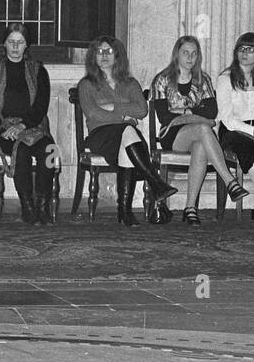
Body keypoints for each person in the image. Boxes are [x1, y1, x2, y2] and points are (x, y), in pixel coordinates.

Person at [78, 35, 177, 226]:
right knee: (128, 130)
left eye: (109, 51)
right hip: (100, 134)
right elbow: (92, 113)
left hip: (125, 136)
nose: (104, 55)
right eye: (99, 51)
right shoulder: (86, 84)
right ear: (93, 57)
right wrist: (123, 114)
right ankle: (153, 184)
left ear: (117, 55)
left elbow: (141, 110)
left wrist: (112, 107)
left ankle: (124, 211)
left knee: (127, 137)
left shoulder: (130, 84)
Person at [152, 34, 247, 227]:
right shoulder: (162, 79)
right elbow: (165, 117)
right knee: (204, 128)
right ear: (176, 54)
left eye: (194, 54)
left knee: (201, 144)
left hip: (197, 135)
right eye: (185, 52)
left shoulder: (203, 80)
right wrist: (196, 114)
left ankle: (190, 209)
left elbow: (213, 111)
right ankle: (230, 181)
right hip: (172, 135)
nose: (190, 57)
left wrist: (184, 112)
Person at [0, 23, 56, 226]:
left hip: (34, 127)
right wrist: (6, 130)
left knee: (50, 151)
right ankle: (27, 207)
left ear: (26, 45)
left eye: (20, 42)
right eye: (11, 42)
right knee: (20, 150)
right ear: (4, 44)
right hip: (2, 131)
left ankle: (43, 205)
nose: (15, 46)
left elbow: (41, 106)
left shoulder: (38, 71)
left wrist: (23, 126)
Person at [216, 31, 254, 209]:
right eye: (241, 48)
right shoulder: (225, 78)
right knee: (246, 144)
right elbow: (228, 119)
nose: (244, 53)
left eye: (250, 49)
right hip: (232, 132)